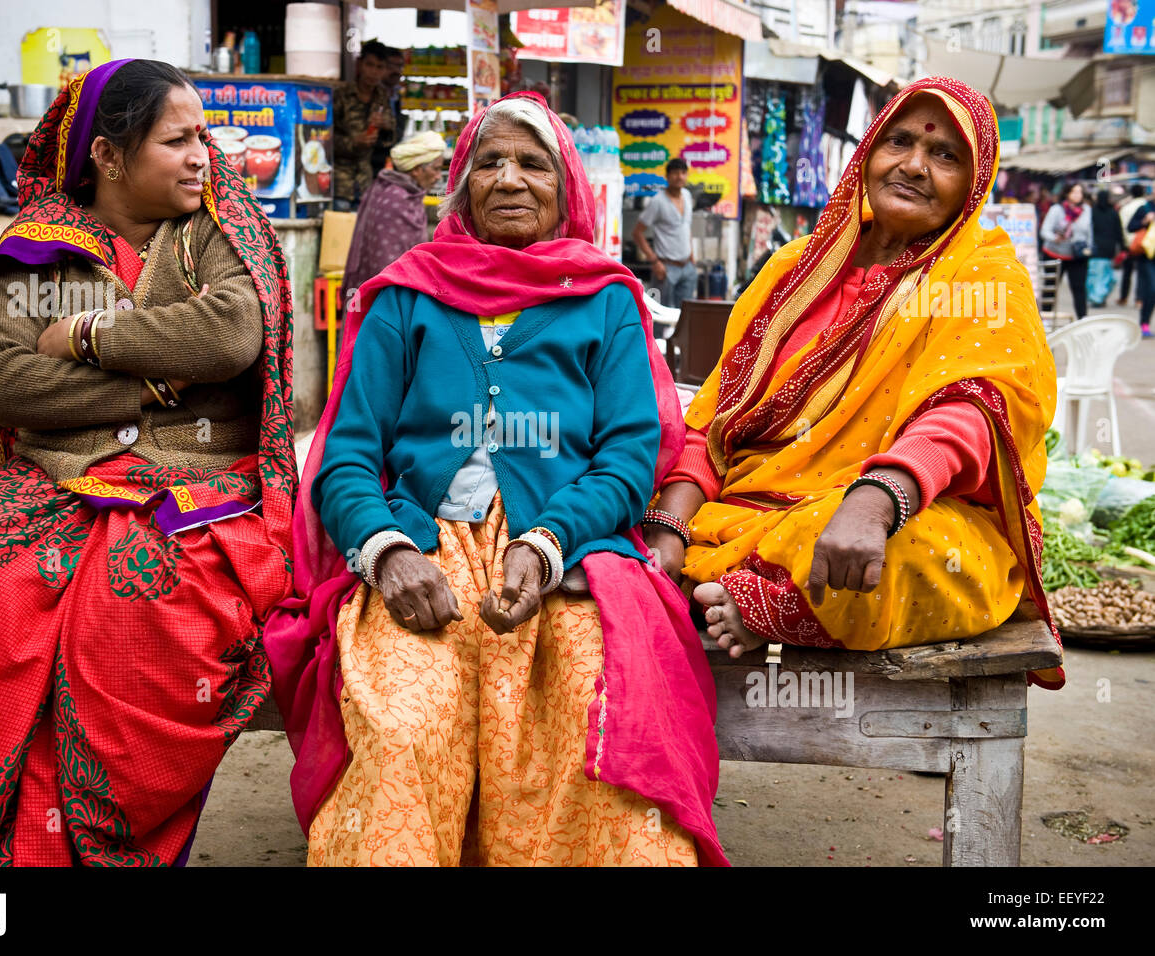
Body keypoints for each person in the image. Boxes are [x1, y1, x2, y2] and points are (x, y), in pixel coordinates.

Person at [264, 92, 727, 867]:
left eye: (532, 163)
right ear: (463, 186)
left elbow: (625, 456)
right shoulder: (406, 296)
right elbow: (345, 455)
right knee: (405, 725)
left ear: (565, 188)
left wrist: (546, 543)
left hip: (567, 552)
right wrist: (386, 553)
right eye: (490, 162)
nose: (510, 178)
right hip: (422, 548)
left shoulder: (606, 300)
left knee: (588, 721)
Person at [0, 59, 298, 865]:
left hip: (201, 484)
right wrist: (156, 386)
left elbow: (227, 336)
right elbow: (1, 376)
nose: (202, 157)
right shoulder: (42, 250)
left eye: (204, 138)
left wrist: (89, 338)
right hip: (53, 482)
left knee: (135, 612)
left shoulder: (219, 229)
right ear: (109, 156)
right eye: (177, 140)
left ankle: (118, 840)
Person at [638, 77, 1064, 691]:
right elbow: (716, 416)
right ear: (866, 153)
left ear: (975, 182)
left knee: (918, 556)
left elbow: (977, 406)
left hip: (896, 511)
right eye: (898, 142)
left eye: (945, 155)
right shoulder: (794, 269)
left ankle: (782, 604)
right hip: (746, 512)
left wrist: (873, 502)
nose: (914, 166)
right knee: (610, 526)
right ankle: (741, 577)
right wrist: (669, 526)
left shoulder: (984, 276)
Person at [342, 130, 443, 297]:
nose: (439, 176)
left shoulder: (385, 187)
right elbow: (389, 263)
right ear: (417, 169)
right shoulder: (398, 199)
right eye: (436, 169)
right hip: (385, 296)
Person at [333, 40, 396, 211]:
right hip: (340, 183)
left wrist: (385, 126)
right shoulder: (341, 95)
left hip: (366, 182)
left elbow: (392, 138)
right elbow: (324, 139)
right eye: (370, 65)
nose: (373, 72)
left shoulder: (382, 96)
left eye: (379, 67)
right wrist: (353, 142)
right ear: (360, 64)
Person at [633, 157, 696, 310]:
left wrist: (692, 256)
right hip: (666, 268)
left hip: (687, 267)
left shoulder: (687, 196)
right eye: (675, 173)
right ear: (667, 176)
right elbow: (637, 233)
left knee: (686, 316)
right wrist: (654, 261)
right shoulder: (658, 201)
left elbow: (686, 228)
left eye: (683, 172)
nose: (679, 176)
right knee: (661, 316)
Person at [1040, 182, 1093, 320]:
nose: (1077, 195)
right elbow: (1045, 230)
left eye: (1080, 192)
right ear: (1067, 193)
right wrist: (1055, 238)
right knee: (1050, 287)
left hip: (1077, 255)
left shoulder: (1086, 210)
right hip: (1055, 253)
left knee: (1079, 288)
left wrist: (1089, 247)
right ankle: (1045, 318)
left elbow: (1089, 231)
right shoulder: (1057, 209)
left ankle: (1083, 319)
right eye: (1074, 192)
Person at [371, 44, 408, 176]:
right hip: (372, 163)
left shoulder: (395, 94)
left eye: (400, 66)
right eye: (391, 65)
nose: (396, 71)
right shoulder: (372, 93)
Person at [1088, 188, 1123, 306]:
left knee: (1094, 275)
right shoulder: (1113, 213)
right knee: (1105, 276)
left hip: (1095, 248)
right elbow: (1119, 232)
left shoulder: (1092, 212)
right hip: (1109, 249)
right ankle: (1099, 297)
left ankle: (1096, 297)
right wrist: (1123, 247)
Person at [1126, 191, 1155, 336]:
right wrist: (1144, 221)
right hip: (1146, 256)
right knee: (1151, 289)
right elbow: (1130, 227)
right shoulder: (1145, 208)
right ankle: (1144, 322)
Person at [1117, 184, 1147, 306]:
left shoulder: (1126, 208)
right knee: (1142, 272)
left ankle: (1123, 297)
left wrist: (1124, 243)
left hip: (1129, 244)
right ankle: (1139, 299)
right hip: (1144, 244)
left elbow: (1123, 227)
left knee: (1127, 272)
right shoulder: (1147, 207)